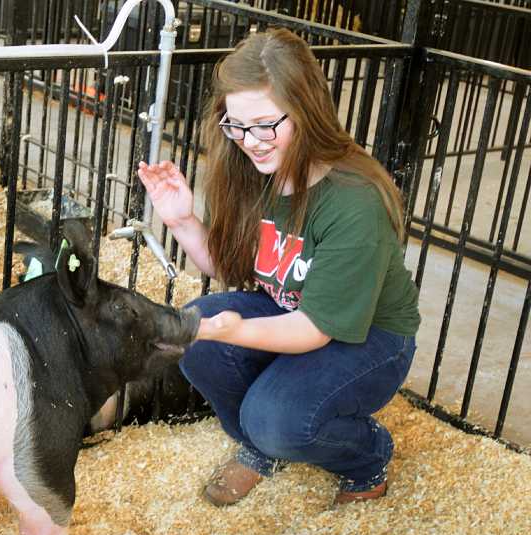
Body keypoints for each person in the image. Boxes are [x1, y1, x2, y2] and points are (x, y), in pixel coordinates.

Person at [137, 28, 420, 506]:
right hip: (290, 310)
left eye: (267, 124)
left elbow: (314, 331)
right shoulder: (256, 169)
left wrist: (230, 329)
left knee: (278, 418)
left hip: (369, 339)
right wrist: (182, 220)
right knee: (201, 344)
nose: (251, 141)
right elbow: (234, 269)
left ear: (306, 112)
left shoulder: (353, 202)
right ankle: (260, 444)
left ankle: (366, 457)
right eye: (236, 125)